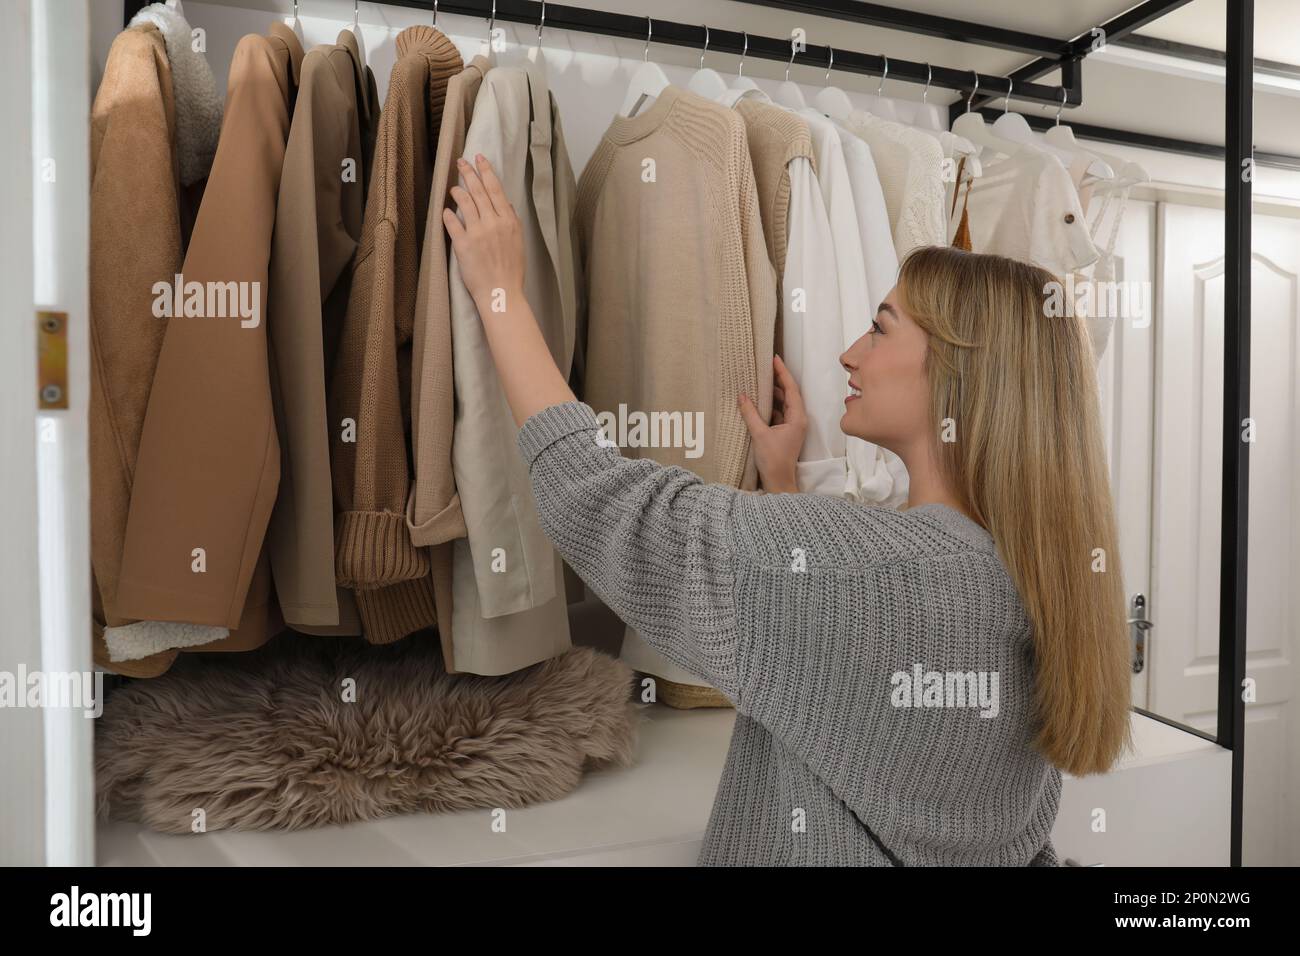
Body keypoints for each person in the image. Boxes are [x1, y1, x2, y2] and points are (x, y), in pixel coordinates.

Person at [444, 153, 1132, 866]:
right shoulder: (1036, 580)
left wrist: (502, 294)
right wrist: (785, 492)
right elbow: (859, 691)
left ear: (957, 371)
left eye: (881, 328)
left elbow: (599, 499)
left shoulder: (861, 576)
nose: (847, 352)